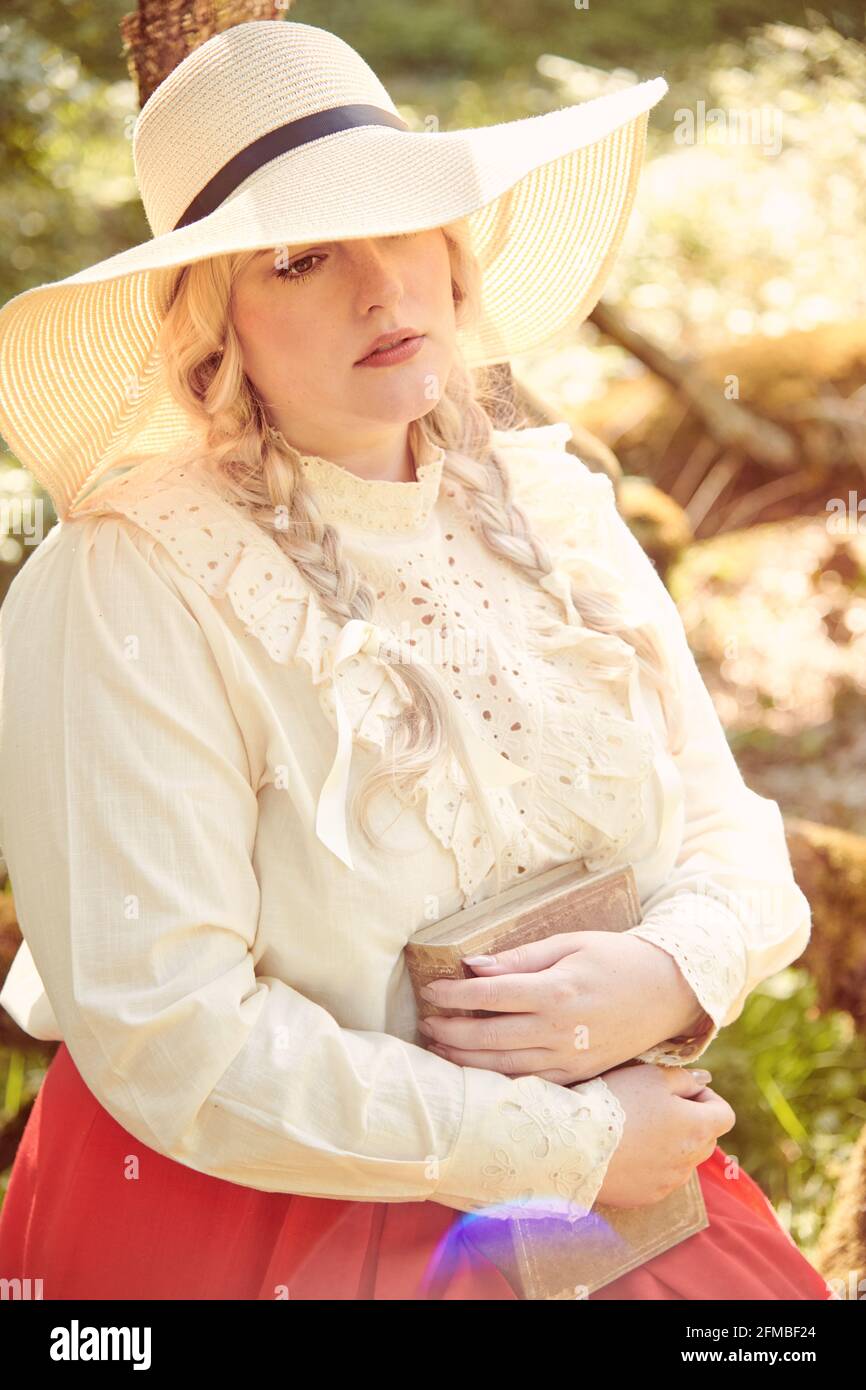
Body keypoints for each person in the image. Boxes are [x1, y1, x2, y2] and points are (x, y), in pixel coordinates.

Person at [0, 19, 837, 1300]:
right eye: (300, 258)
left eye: (402, 226)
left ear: (457, 253)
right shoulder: (128, 580)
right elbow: (167, 1026)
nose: (381, 289)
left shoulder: (553, 506)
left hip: (631, 1194)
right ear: (212, 325)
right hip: (267, 1222)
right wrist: (563, 1143)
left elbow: (733, 832)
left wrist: (667, 973)